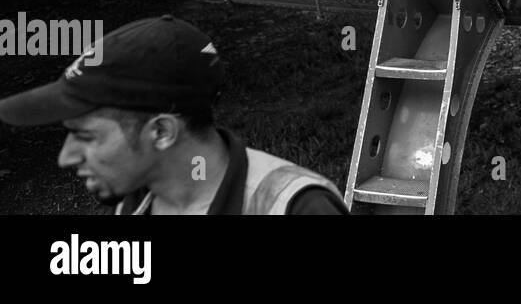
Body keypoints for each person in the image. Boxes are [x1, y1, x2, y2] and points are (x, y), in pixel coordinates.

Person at [0, 15, 346, 215]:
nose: (65, 157)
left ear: (162, 131)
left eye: (86, 136)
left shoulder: (295, 208)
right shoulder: (137, 202)